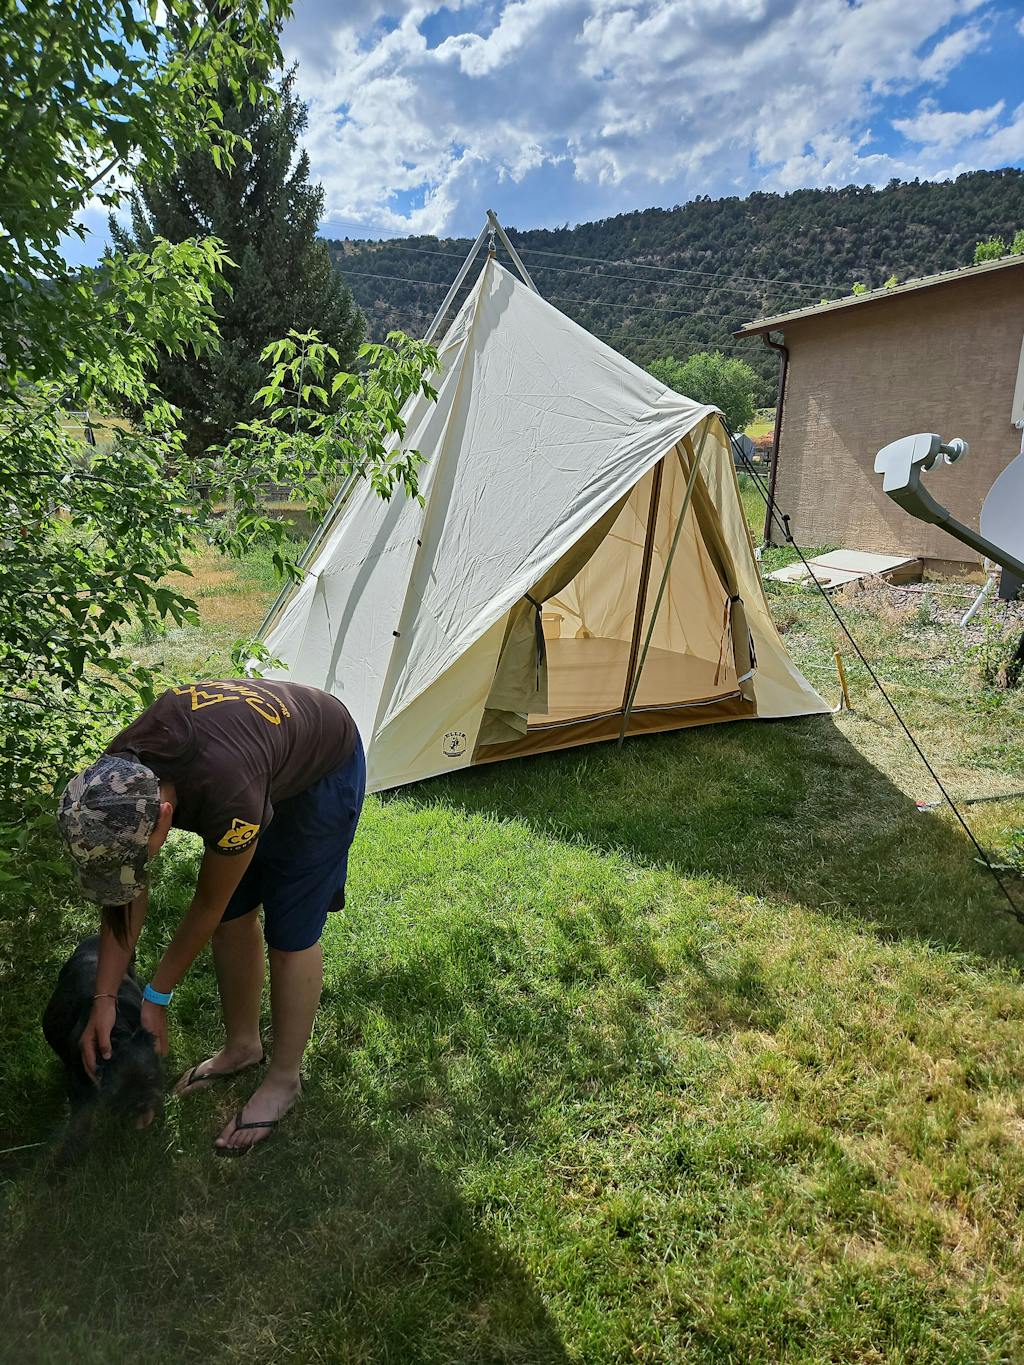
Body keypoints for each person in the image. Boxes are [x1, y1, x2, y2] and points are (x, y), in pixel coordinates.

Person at [57, 678, 365, 1155]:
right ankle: (243, 1046)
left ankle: (284, 1080)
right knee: (234, 918)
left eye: (136, 856)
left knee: (291, 933)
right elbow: (125, 890)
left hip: (322, 765)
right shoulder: (115, 777)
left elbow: (206, 904)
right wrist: (104, 997)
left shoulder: (230, 795)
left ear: (163, 816)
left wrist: (155, 998)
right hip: (256, 758)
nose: (133, 870)